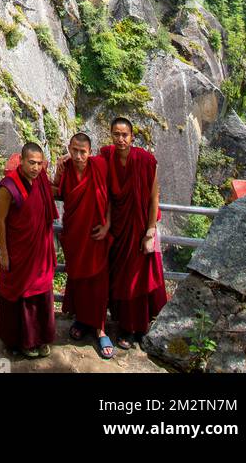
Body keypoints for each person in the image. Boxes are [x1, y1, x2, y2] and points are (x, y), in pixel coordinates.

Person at [100, 116, 168, 348]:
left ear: (132, 137)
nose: (120, 139)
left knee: (139, 280)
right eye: (116, 134)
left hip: (139, 229)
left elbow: (154, 196)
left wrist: (150, 230)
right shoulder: (106, 155)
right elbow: (87, 162)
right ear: (111, 135)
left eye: (124, 135)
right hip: (119, 230)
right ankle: (126, 328)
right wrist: (67, 159)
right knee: (121, 280)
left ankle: (141, 328)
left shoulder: (146, 160)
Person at [52, 133, 114, 359]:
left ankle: (100, 329)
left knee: (98, 281)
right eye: (74, 150)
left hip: (97, 235)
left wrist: (108, 225)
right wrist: (58, 170)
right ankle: (80, 319)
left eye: (83, 151)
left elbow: (111, 197)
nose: (78, 156)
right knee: (77, 277)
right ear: (69, 148)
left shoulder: (100, 166)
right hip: (75, 234)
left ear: (90, 152)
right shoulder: (66, 169)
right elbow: (56, 191)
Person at [0, 142, 57, 359]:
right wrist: (3, 252)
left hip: (40, 250)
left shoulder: (40, 180)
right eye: (31, 162)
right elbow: (0, 221)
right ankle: (21, 341)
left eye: (39, 163)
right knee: (20, 294)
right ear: (21, 161)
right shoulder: (8, 187)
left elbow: (54, 193)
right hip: (19, 251)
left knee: (41, 293)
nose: (36, 168)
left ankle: (40, 338)